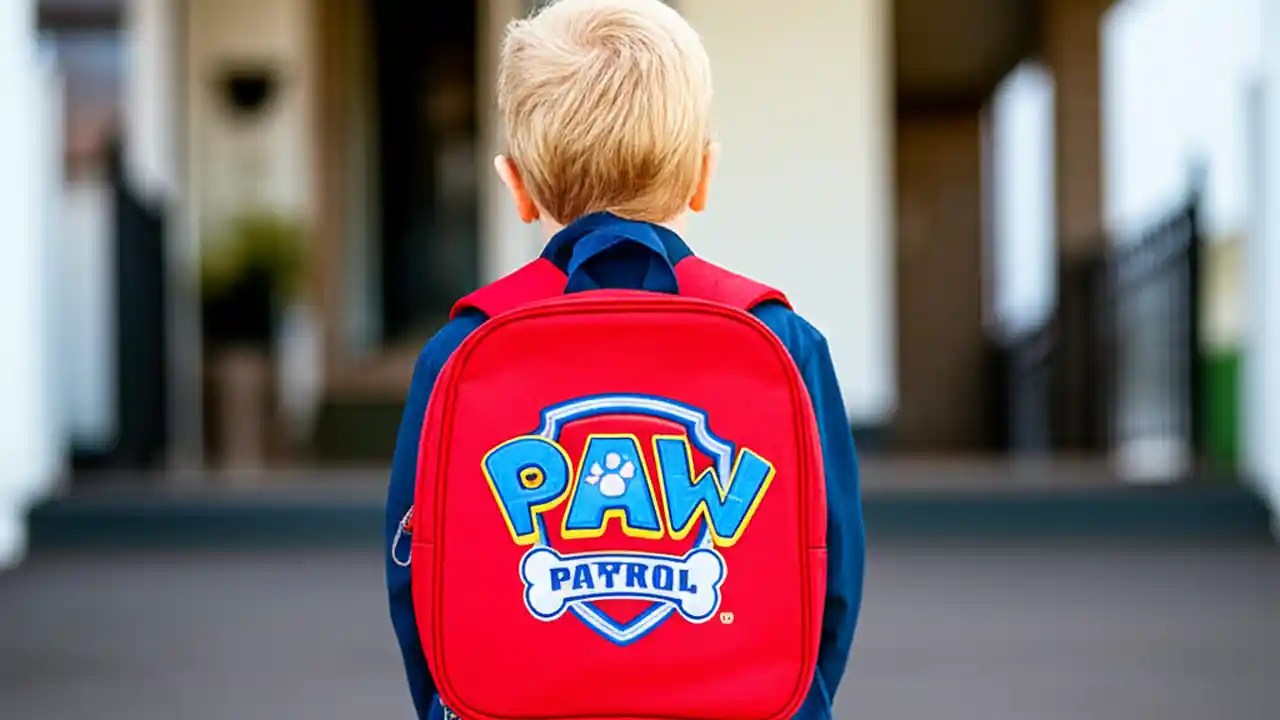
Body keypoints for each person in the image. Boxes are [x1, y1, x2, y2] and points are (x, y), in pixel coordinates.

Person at [385, 1, 865, 718]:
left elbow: (414, 583)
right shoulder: (785, 341)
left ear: (515, 185)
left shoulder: (459, 349)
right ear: (704, 175)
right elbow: (835, 574)